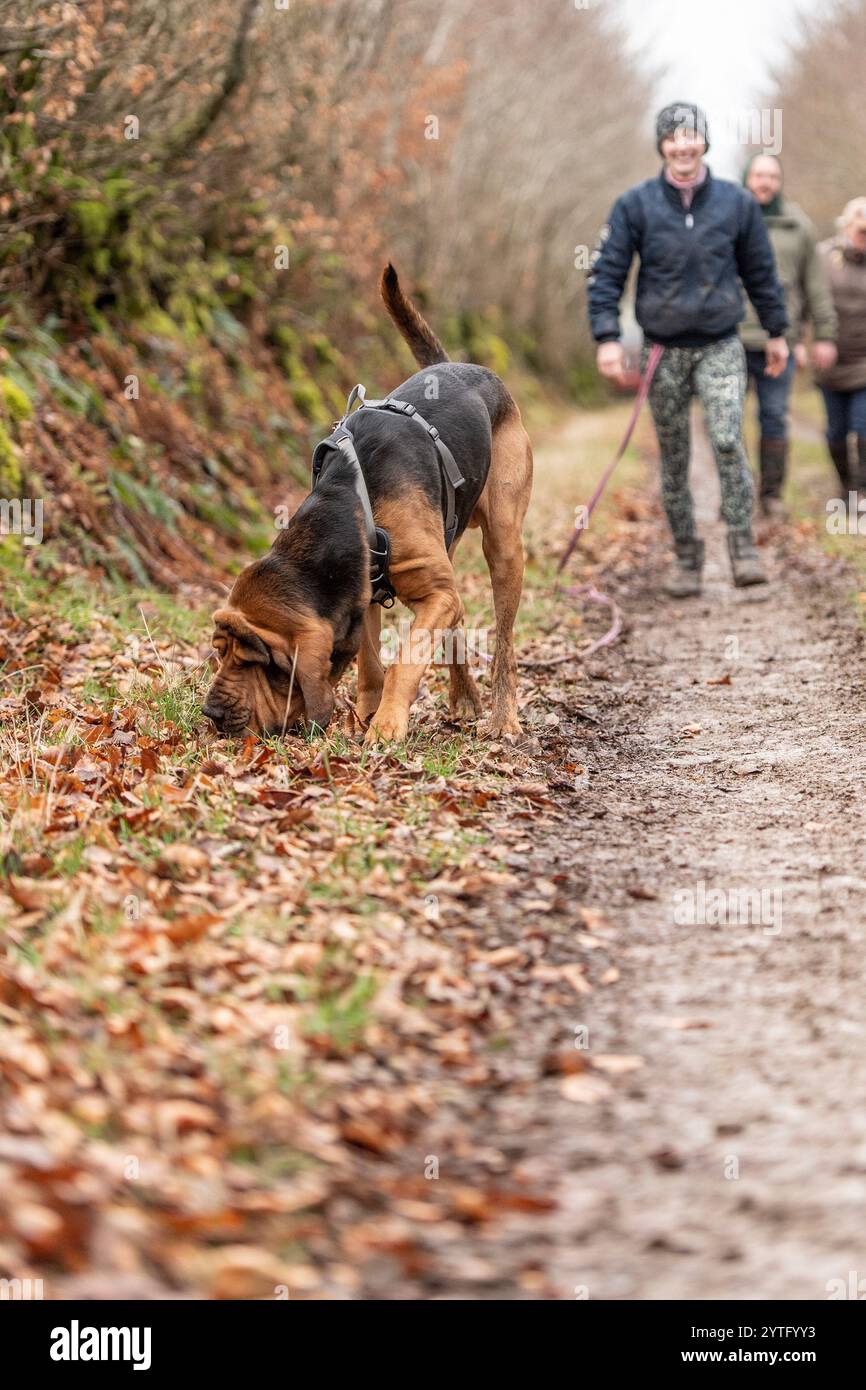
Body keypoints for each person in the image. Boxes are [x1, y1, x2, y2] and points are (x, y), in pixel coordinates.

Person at [588, 102, 789, 596]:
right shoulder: (634, 205)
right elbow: (607, 273)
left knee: (726, 439)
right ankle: (686, 557)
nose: (683, 145)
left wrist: (778, 330)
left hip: (722, 342)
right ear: (661, 145)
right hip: (663, 350)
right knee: (674, 455)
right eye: (673, 137)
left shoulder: (736, 204)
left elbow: (761, 273)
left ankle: (743, 546)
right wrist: (608, 337)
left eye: (691, 136)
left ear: (704, 142)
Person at [740, 154, 837, 518]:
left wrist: (824, 335)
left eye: (772, 176)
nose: (764, 182)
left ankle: (771, 495)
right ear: (746, 178)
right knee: (726, 419)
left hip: (780, 340)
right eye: (758, 175)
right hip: (729, 337)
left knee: (775, 416)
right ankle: (736, 494)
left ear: (780, 182)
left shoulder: (798, 226)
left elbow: (817, 287)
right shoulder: (728, 216)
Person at [813, 197, 866, 495]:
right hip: (830, 360)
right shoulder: (822, 257)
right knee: (836, 431)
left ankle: (863, 491)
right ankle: (846, 486)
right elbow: (808, 300)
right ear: (846, 228)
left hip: (864, 360)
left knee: (864, 428)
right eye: (862, 232)